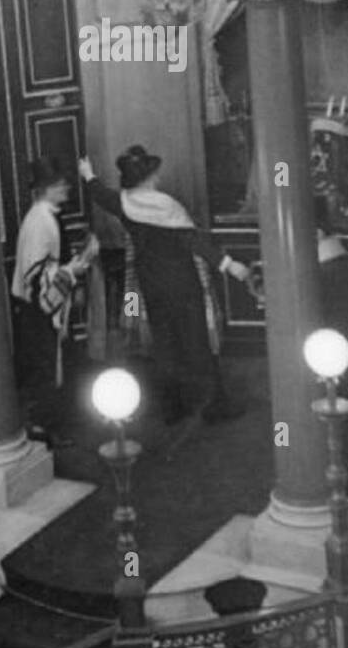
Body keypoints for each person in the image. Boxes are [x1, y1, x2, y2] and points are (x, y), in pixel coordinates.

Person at [79, 145, 250, 441]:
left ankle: (173, 407)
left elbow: (99, 194)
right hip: (183, 283)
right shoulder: (167, 206)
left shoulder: (123, 203)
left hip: (149, 285)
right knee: (197, 341)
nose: (158, 178)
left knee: (165, 344)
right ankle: (214, 405)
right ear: (148, 177)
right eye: (154, 174)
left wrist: (88, 174)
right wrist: (230, 265)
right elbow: (193, 241)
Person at [11, 157, 90, 447]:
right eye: (60, 184)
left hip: (41, 307)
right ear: (45, 189)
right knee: (45, 368)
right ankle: (42, 428)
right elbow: (37, 278)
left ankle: (48, 424)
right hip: (38, 310)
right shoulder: (40, 222)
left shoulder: (47, 216)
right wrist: (76, 268)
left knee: (50, 366)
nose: (67, 187)